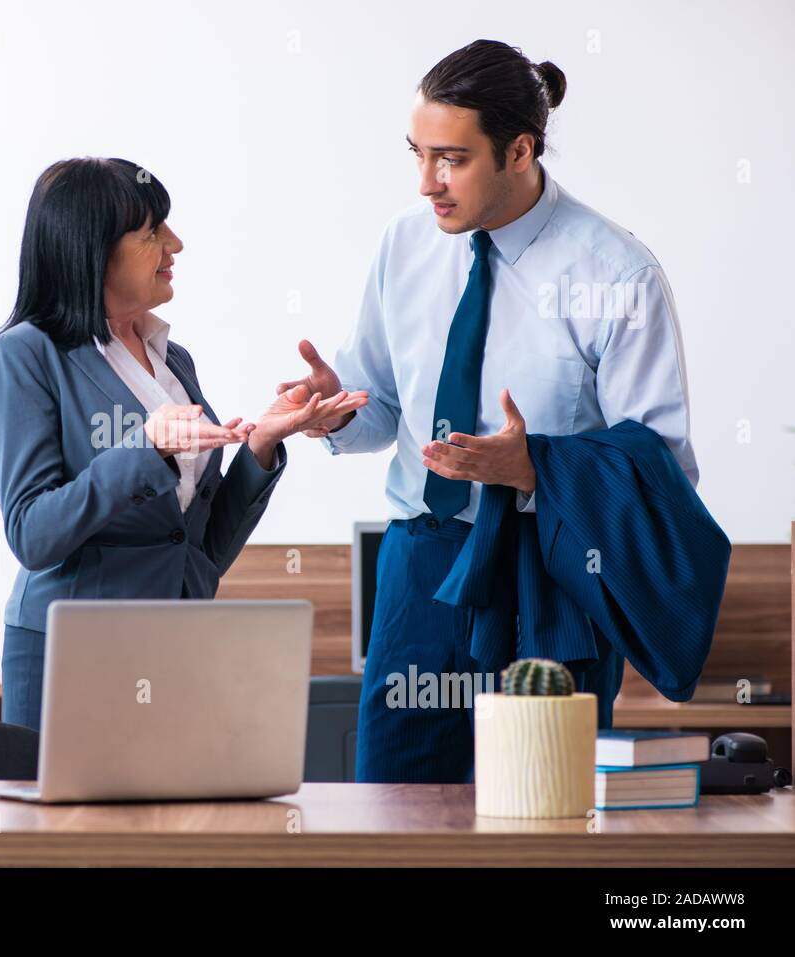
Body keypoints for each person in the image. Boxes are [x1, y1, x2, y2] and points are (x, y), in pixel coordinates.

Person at [275, 40, 699, 783]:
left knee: (542, 803)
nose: (427, 184)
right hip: (424, 565)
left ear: (520, 150)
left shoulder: (617, 273)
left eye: (452, 159)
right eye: (417, 154)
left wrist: (535, 466)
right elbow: (387, 409)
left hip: (554, 571)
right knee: (394, 807)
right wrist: (336, 413)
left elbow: (662, 466)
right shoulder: (403, 246)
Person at [0, 157, 365, 730]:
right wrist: (143, 449)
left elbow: (198, 548)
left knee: (172, 819)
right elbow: (32, 534)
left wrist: (259, 444)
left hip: (178, 645)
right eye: (154, 231)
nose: (176, 244)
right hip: (73, 654)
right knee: (71, 823)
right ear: (94, 248)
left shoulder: (171, 361)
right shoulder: (25, 354)